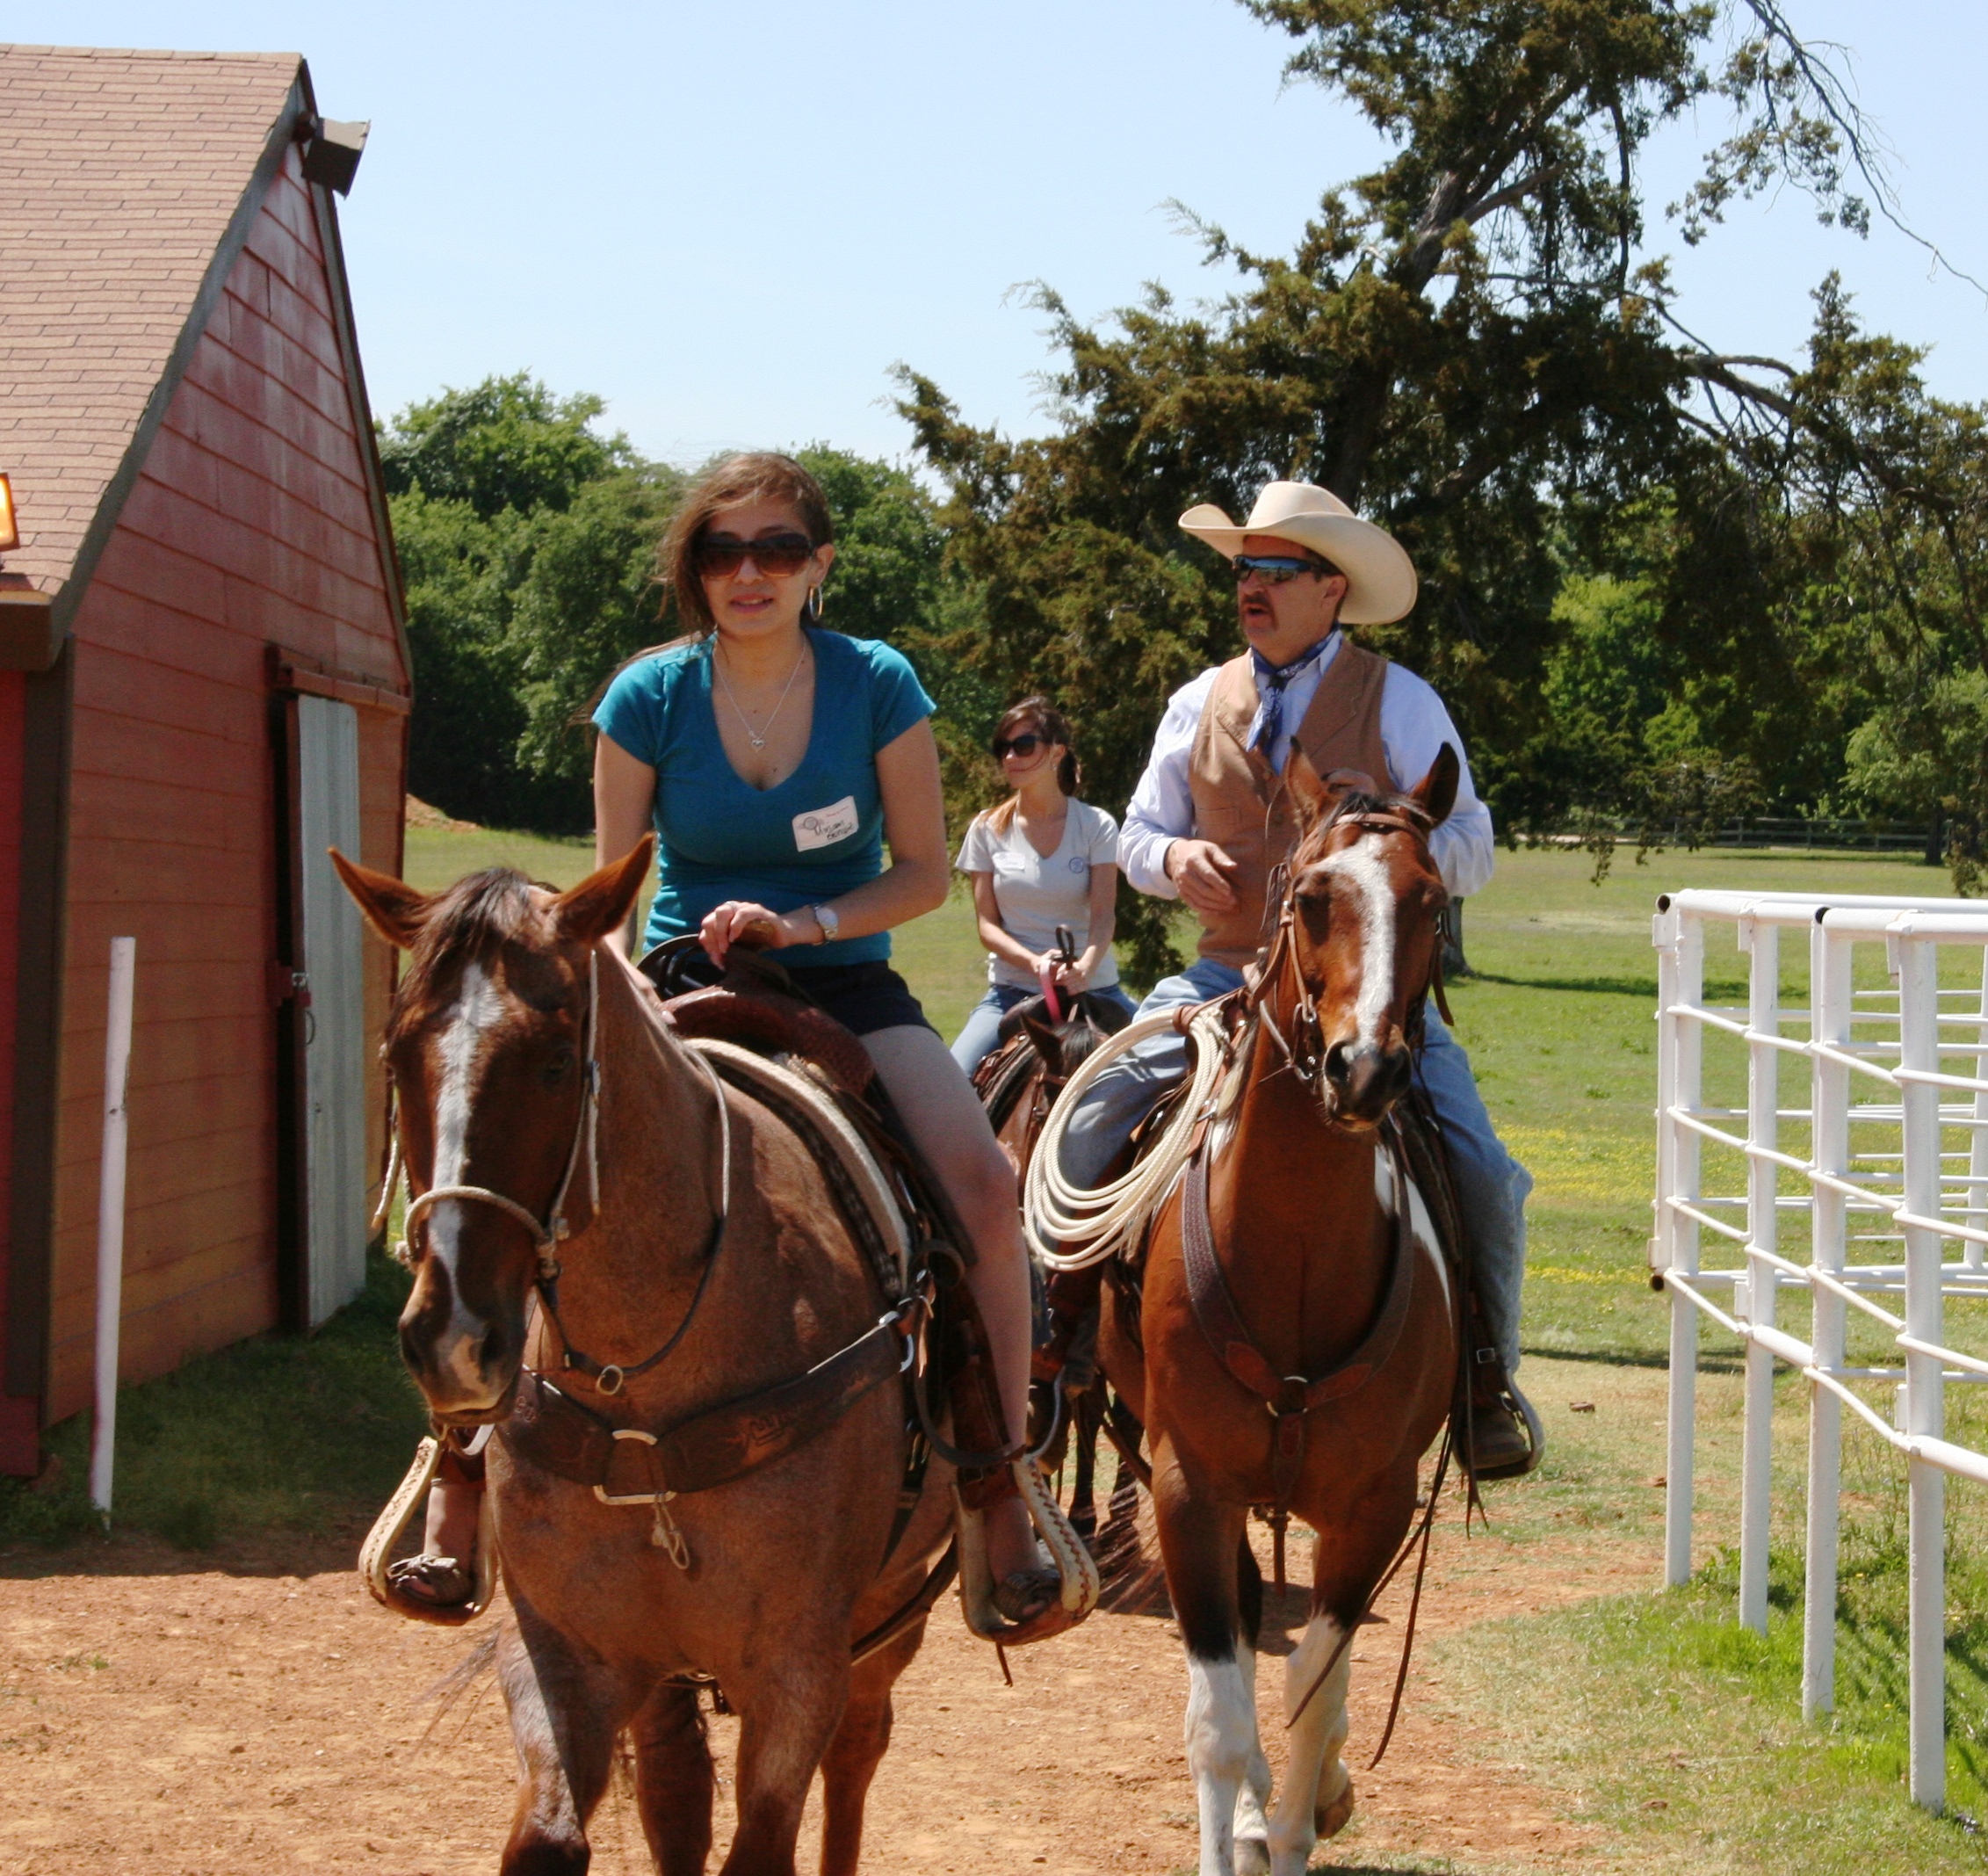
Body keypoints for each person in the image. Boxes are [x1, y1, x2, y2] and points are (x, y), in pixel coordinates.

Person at [394, 453, 1058, 1620]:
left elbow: (918, 874)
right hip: (664, 976)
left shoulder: (879, 683)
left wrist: (802, 918)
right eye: (721, 550)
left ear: (819, 567)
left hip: (843, 981)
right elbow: (603, 882)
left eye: (776, 549)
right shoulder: (645, 695)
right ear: (692, 568)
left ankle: (1000, 1484)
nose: (748, 572)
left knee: (984, 1195)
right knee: (511, 1171)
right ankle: (454, 1468)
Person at [1055, 479, 1543, 1477]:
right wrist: (1169, 863)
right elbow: (1139, 831)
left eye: (1276, 569)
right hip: (1221, 977)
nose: (1252, 585)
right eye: (1244, 568)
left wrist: (1384, 868)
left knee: (1485, 1171)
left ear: (1331, 587)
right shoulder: (1197, 701)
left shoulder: (1399, 699)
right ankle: (1049, 1354)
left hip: (1361, 997)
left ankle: (1481, 1379)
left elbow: (1473, 839)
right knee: (1088, 1117)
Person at [951, 699, 1137, 1077]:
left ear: (1057, 752)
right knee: (952, 1078)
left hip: (1095, 990)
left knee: (1171, 1068)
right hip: (1011, 994)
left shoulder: (1096, 825)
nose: (1009, 758)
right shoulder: (987, 829)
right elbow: (987, 927)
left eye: (1023, 746)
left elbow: (1103, 917)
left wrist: (1083, 968)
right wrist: (1035, 964)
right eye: (1002, 748)